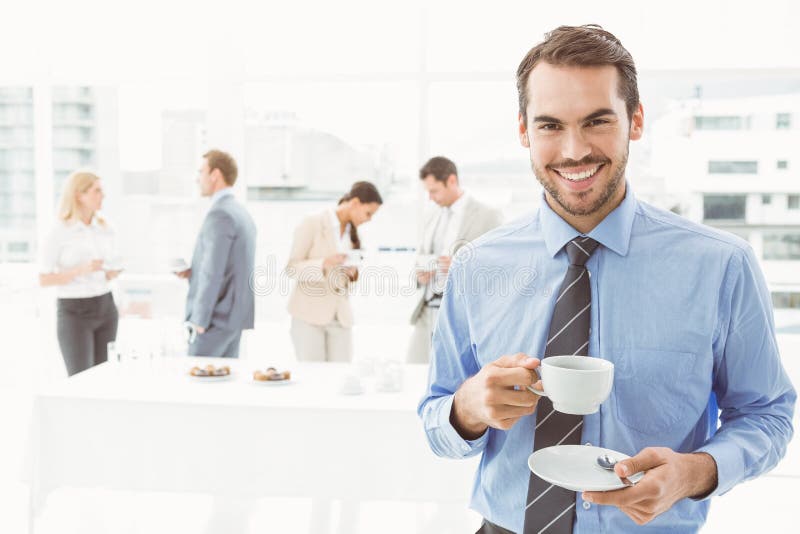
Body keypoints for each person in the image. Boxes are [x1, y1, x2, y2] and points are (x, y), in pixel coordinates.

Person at [418, 25, 795, 534]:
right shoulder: (476, 266)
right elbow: (437, 416)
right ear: (524, 131)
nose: (574, 151)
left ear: (634, 121)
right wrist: (466, 408)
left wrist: (696, 473)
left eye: (596, 121)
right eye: (550, 126)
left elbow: (767, 415)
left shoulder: (721, 265)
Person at [408, 156, 502, 363]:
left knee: (455, 376)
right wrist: (421, 272)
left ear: (451, 181)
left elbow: (500, 265)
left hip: (462, 315)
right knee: (415, 368)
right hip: (427, 308)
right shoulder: (432, 215)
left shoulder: (488, 215)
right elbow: (420, 255)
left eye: (434, 191)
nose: (431, 198)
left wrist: (461, 267)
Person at [286, 181, 382, 362]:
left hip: (340, 318)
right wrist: (324, 263)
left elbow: (346, 278)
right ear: (354, 203)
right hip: (309, 317)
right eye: (368, 213)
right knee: (314, 379)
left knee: (340, 379)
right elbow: (292, 268)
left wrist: (352, 273)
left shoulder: (354, 234)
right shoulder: (312, 222)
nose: (369, 219)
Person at [176, 149, 256, 358]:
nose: (197, 178)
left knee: (197, 384)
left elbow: (213, 272)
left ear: (215, 174)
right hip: (234, 319)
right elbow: (230, 265)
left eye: (201, 171)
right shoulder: (240, 212)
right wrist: (193, 272)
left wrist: (200, 320)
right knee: (224, 386)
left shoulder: (220, 213)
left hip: (214, 320)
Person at [40, 171, 121, 376]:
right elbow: (44, 279)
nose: (103, 196)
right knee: (81, 379)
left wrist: (111, 272)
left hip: (105, 305)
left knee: (104, 377)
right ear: (79, 195)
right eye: (97, 191)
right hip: (74, 311)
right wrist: (80, 270)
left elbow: (110, 263)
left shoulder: (105, 228)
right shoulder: (59, 231)